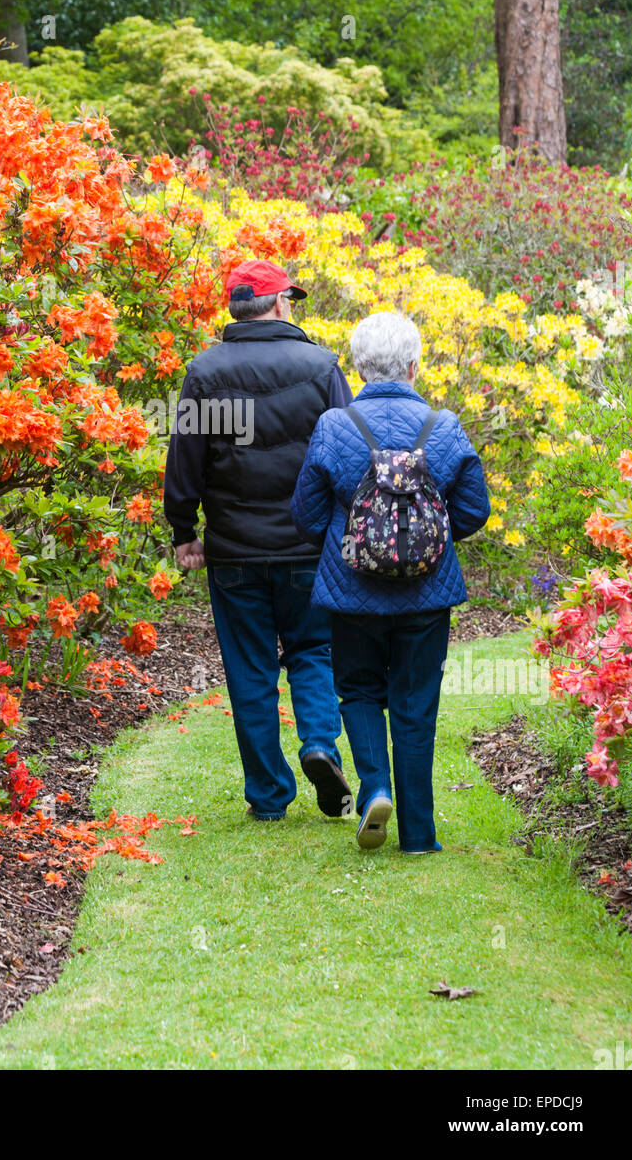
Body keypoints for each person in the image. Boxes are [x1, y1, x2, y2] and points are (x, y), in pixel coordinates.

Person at [290, 311, 491, 853]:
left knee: (357, 689)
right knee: (415, 703)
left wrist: (353, 541)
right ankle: (420, 835)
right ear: (412, 365)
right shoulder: (444, 428)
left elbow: (306, 516)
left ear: (358, 367)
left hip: (352, 595)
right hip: (427, 597)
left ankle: (375, 785)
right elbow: (474, 511)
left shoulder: (335, 426)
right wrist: (426, 543)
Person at [163, 258, 354, 821]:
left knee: (250, 669)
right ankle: (319, 741)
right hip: (308, 546)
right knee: (313, 652)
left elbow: (185, 463)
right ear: (276, 304)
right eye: (288, 299)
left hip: (235, 550)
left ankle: (269, 796)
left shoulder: (204, 372)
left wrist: (183, 530)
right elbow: (347, 452)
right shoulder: (321, 366)